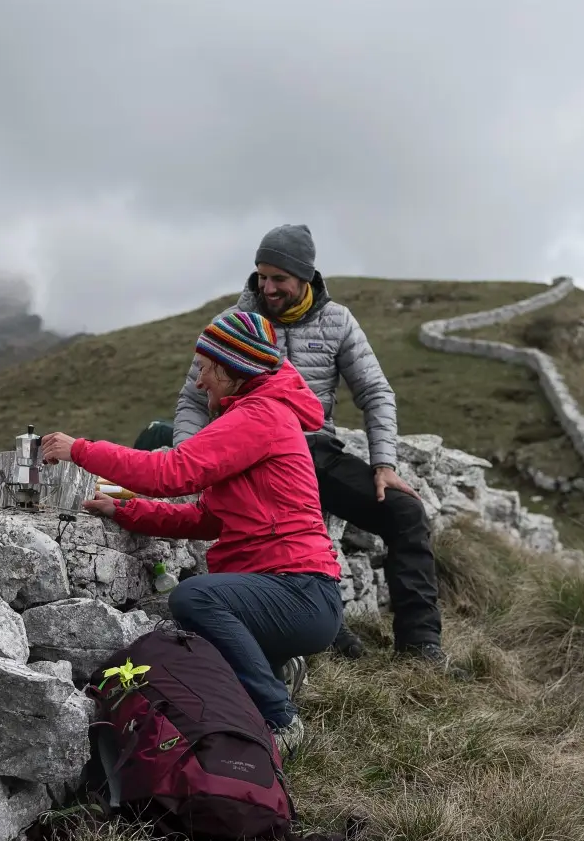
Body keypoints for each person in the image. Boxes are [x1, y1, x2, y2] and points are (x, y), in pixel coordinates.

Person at [40, 310, 342, 757]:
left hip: (298, 592)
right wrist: (126, 511)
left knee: (194, 598)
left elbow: (170, 470)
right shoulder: (260, 416)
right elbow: (206, 520)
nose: (199, 382)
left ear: (228, 367)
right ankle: (272, 679)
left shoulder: (260, 417)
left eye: (203, 369)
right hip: (295, 592)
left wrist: (80, 450)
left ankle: (283, 719)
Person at [173, 224, 452, 668]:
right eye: (261, 276)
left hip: (316, 450)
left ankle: (421, 646)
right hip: (248, 449)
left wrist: (383, 462)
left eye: (278, 278)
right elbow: (192, 397)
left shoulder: (338, 320)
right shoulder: (235, 321)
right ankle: (322, 624)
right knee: (284, 523)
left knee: (405, 511)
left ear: (305, 277)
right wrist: (186, 455)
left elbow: (376, 392)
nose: (267, 287)